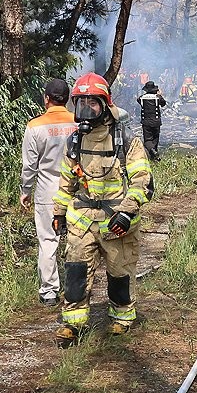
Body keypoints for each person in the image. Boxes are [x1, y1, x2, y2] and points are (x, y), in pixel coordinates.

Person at [52, 73, 152, 342]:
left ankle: (121, 318)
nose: (86, 108)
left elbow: (143, 181)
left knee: (120, 273)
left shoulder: (126, 140)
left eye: (92, 102)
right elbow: (66, 181)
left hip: (115, 222)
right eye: (81, 102)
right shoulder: (75, 140)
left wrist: (126, 212)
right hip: (81, 220)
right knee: (75, 273)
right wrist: (59, 213)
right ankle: (74, 322)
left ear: (105, 103)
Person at [20, 78, 78, 307]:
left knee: (47, 240)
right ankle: (76, 287)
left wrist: (25, 190)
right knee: (77, 240)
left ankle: (49, 291)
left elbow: (29, 165)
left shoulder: (35, 126)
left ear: (46, 99)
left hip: (47, 192)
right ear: (69, 99)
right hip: (75, 188)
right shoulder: (79, 122)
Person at [136, 80, 167, 161]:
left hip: (146, 122)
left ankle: (153, 154)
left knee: (148, 139)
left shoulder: (141, 98)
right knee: (155, 138)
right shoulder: (158, 97)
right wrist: (159, 95)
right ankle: (154, 153)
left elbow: (138, 100)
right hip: (156, 122)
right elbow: (163, 104)